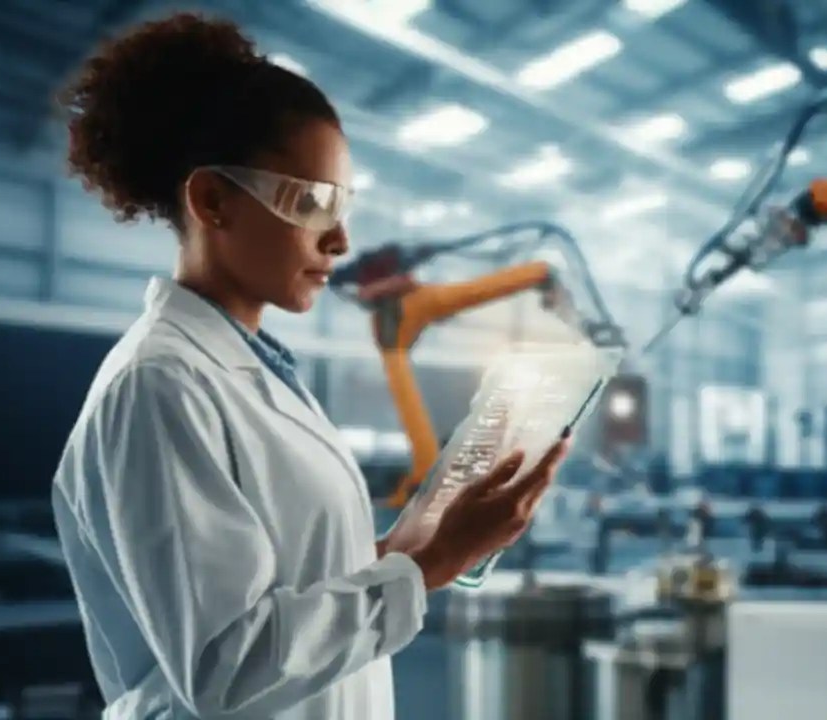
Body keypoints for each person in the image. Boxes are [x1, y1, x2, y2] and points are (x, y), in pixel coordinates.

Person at [49, 12, 567, 720]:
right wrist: (427, 566)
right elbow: (224, 667)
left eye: (343, 205)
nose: (342, 239)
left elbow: (293, 589)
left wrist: (403, 548)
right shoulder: (161, 384)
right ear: (213, 201)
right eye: (312, 203)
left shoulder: (255, 372)